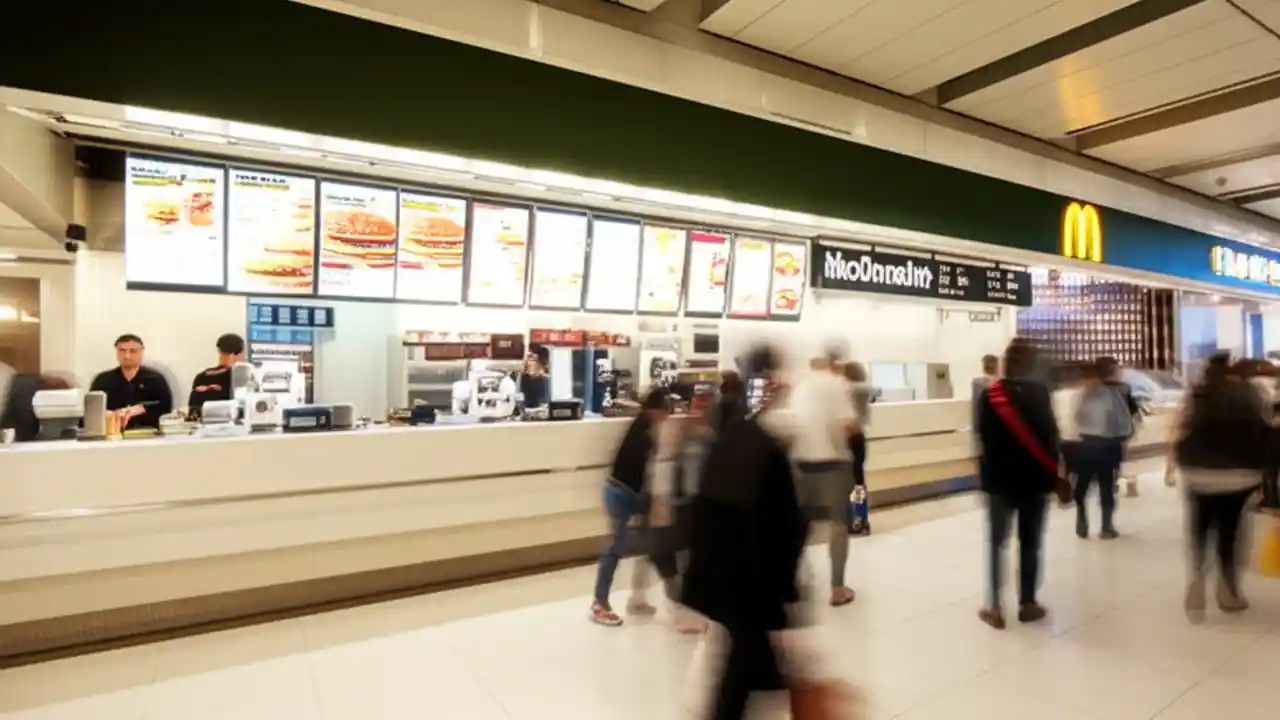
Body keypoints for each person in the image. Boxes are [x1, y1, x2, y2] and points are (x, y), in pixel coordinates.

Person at [682, 345, 808, 720]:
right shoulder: (760, 441)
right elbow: (778, 526)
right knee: (745, 674)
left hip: (729, 582)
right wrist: (784, 598)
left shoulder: (738, 432)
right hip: (747, 584)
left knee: (741, 674)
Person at [1174, 353, 1266, 619]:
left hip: (1198, 473)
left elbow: (1183, 429)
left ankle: (1197, 577)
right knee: (1230, 532)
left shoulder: (1198, 394)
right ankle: (1228, 591)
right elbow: (1261, 428)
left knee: (1200, 526)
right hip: (1239, 475)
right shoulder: (1249, 393)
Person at [977, 339, 1059, 629]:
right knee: (1031, 543)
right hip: (1034, 482)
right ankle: (1027, 603)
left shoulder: (990, 396)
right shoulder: (1039, 393)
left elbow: (984, 440)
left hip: (999, 483)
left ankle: (995, 607)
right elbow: (1051, 437)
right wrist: (1054, 477)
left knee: (998, 543)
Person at [589, 389, 671, 626]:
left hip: (628, 492)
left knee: (647, 542)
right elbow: (647, 469)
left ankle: (636, 598)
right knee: (616, 546)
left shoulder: (643, 426)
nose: (666, 418)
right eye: (664, 411)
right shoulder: (645, 432)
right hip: (622, 493)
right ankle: (599, 602)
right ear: (655, 410)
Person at [789, 354, 858, 607]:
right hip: (833, 465)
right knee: (838, 526)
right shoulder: (837, 384)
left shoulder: (800, 388)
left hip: (801, 465)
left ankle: (793, 582)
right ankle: (837, 588)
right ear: (832, 366)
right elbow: (847, 424)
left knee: (801, 527)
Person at [1074, 360, 1133, 539]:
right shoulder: (1079, 397)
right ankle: (1081, 517)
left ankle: (1106, 526)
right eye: (1085, 379)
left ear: (1099, 378)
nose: (1087, 383)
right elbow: (1073, 421)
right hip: (1084, 445)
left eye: (1091, 378)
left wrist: (1118, 440)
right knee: (1079, 489)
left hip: (1106, 446)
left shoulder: (1112, 396)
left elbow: (1124, 424)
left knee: (1106, 487)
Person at [89, 334, 172, 429]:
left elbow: (166, 409)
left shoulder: (155, 379)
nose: (127, 356)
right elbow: (92, 411)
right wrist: (111, 415)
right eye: (122, 351)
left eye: (132, 351)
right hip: (112, 433)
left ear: (142, 351)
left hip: (148, 434)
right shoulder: (103, 380)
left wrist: (140, 409)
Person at [844, 361, 874, 534]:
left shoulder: (849, 390)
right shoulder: (864, 390)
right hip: (860, 439)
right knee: (859, 482)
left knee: (849, 484)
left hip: (848, 440)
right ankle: (862, 519)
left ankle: (853, 520)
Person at [187, 333, 245, 418]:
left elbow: (193, 410)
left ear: (219, 351)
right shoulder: (245, 377)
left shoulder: (202, 377)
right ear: (241, 353)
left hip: (204, 425)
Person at [1052, 364, 1084, 491]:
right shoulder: (1082, 394)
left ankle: (1065, 485)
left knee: (1066, 463)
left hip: (1063, 435)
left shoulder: (1056, 395)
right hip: (1080, 436)